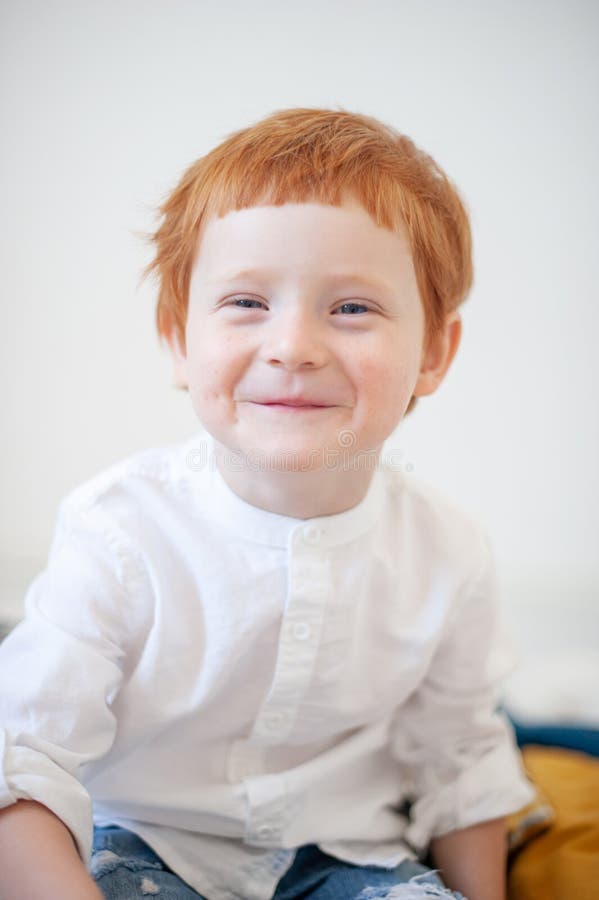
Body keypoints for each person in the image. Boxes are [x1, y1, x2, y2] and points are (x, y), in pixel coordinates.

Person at [0, 107, 535, 900]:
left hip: (349, 859)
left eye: (351, 308)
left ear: (433, 352)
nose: (292, 346)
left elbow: (460, 761)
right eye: (247, 302)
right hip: (146, 847)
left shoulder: (448, 551)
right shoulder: (117, 529)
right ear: (180, 338)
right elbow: (23, 758)